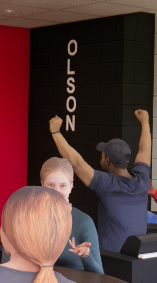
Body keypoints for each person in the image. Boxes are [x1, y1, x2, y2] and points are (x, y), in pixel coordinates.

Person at [49, 108, 151, 255]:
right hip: (138, 257)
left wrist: (55, 132)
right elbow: (144, 151)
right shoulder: (142, 179)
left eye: (102, 156)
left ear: (107, 160)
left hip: (112, 258)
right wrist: (145, 122)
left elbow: (76, 162)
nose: (101, 158)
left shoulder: (107, 184)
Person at [38, 157, 103, 275]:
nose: (56, 191)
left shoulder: (83, 222)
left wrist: (85, 255)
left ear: (71, 187)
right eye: (51, 185)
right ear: (42, 185)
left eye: (63, 185)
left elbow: (100, 275)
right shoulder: (32, 217)